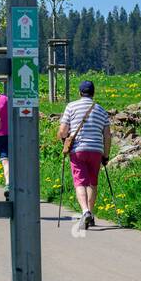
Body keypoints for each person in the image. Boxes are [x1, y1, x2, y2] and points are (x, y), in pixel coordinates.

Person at [57, 79, 112, 231]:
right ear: (93, 93)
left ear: (80, 93)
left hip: (78, 150)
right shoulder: (101, 110)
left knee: (80, 182)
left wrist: (64, 141)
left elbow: (62, 131)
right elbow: (107, 136)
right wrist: (106, 156)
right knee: (92, 182)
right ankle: (91, 213)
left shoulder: (71, 107)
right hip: (96, 150)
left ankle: (85, 211)